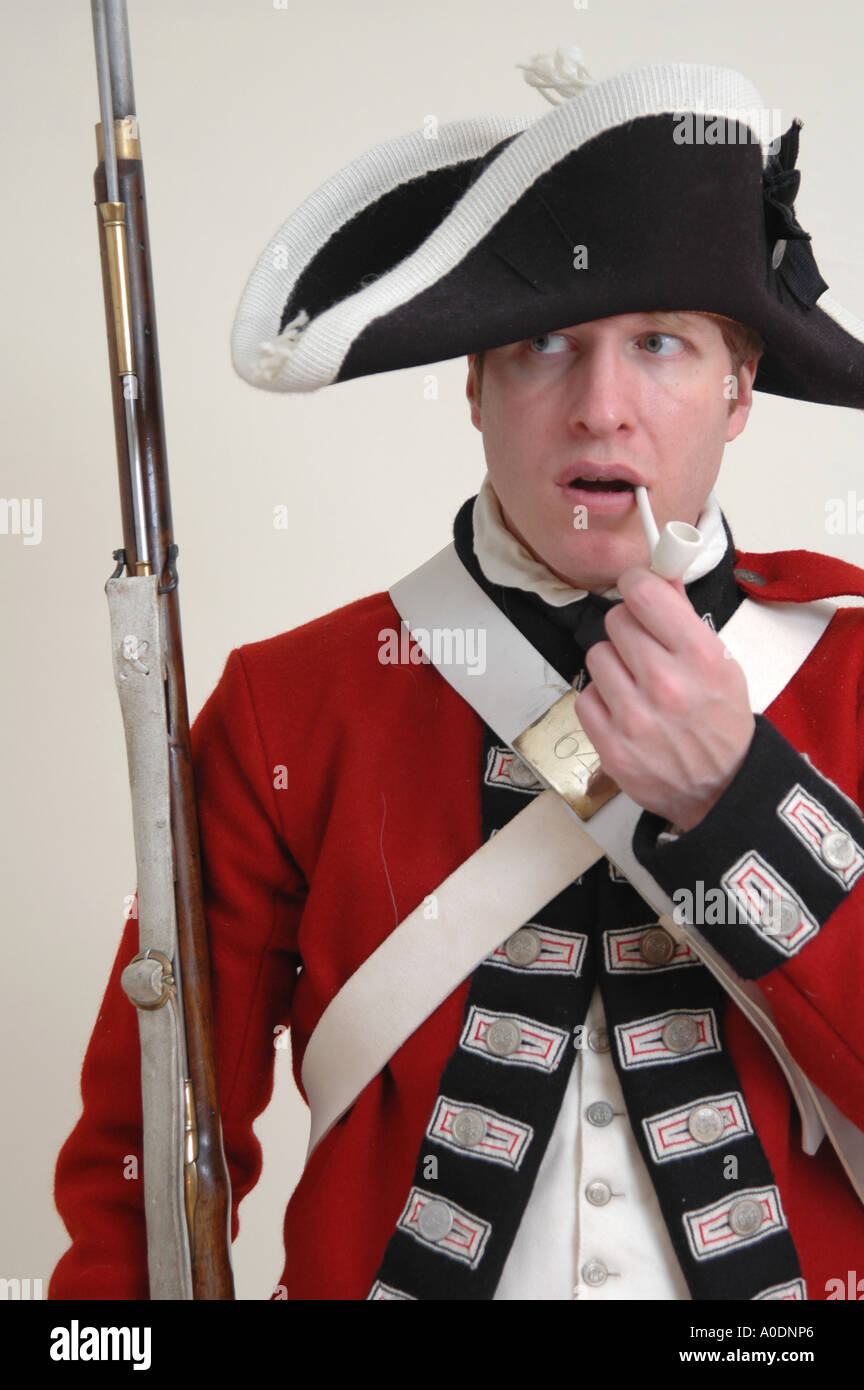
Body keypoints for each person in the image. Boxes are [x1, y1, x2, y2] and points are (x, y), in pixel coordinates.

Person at [50, 50, 864, 1301]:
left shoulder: (851, 668)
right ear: (475, 383)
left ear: (740, 388)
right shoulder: (293, 705)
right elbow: (140, 1166)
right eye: (546, 343)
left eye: (661, 343)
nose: (603, 408)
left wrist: (741, 797)